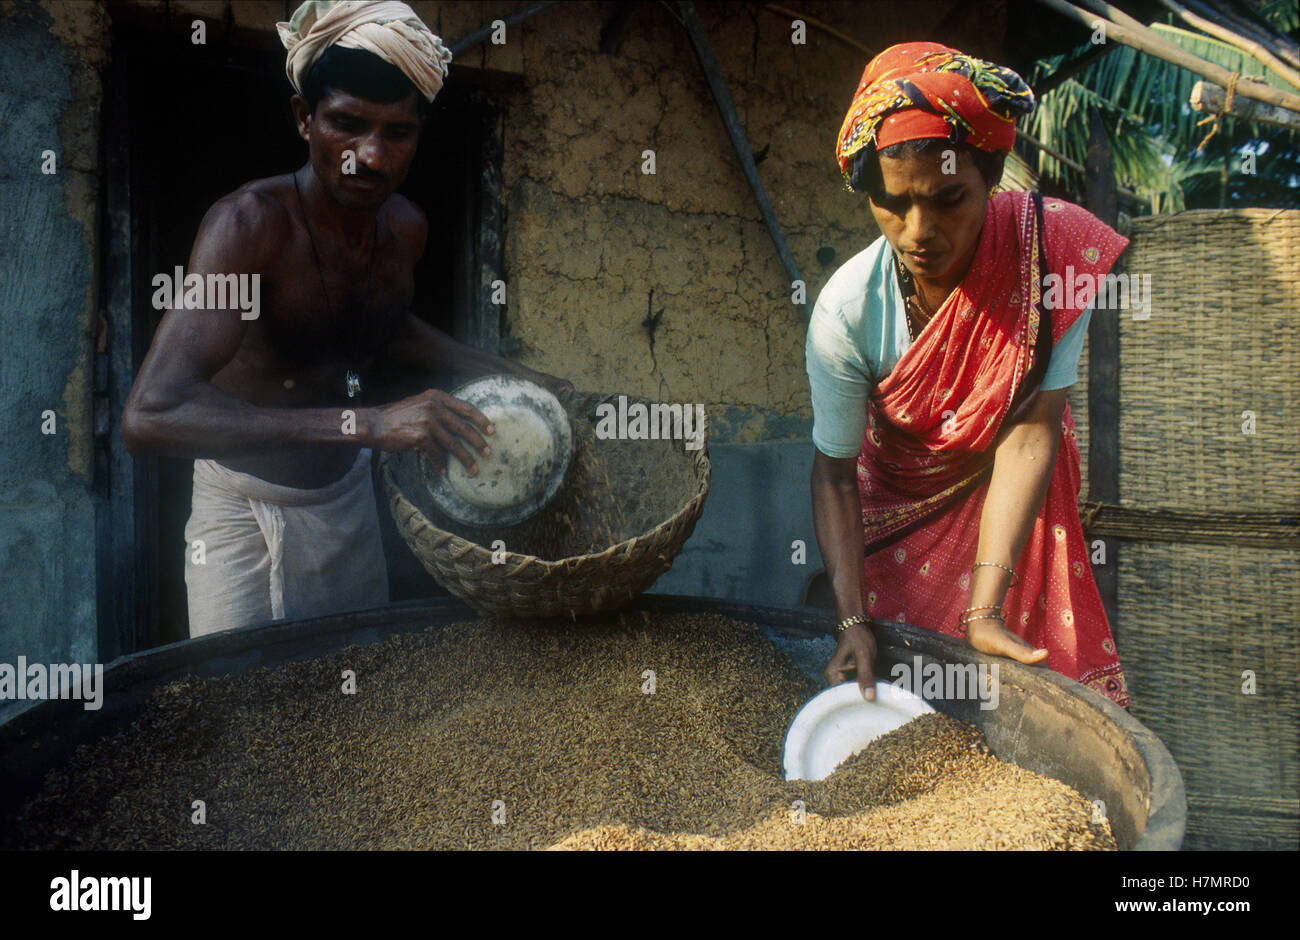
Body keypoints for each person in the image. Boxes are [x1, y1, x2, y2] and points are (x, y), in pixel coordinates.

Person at [122, 0, 570, 637]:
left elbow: (389, 328)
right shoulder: (249, 225)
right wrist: (373, 422)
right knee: (244, 718)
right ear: (305, 120)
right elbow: (150, 417)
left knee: (350, 708)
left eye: (397, 133)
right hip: (244, 512)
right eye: (347, 124)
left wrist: (520, 378)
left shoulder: (404, 228)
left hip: (349, 501)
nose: (373, 157)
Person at [807, 42, 1129, 708]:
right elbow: (834, 473)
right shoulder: (846, 311)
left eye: (947, 199)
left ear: (988, 177)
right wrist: (852, 620)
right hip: (898, 516)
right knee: (906, 704)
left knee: (1027, 708)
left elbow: (1033, 427)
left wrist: (985, 607)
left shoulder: (1050, 258)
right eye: (892, 205)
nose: (918, 231)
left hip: (1019, 504)